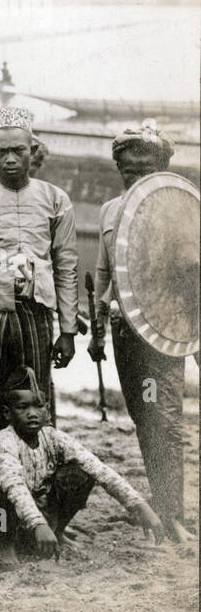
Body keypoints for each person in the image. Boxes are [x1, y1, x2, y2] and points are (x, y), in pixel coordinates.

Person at [0, 106, 79, 540]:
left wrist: (67, 328)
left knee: (37, 407)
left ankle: (44, 504)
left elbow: (65, 264)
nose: (10, 159)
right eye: (2, 151)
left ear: (33, 151)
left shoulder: (55, 199)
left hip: (37, 313)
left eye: (19, 151)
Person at [93, 121, 191, 542]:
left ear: (164, 168)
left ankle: (175, 516)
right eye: (129, 171)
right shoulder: (111, 211)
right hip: (125, 332)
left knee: (165, 419)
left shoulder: (181, 209)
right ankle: (163, 503)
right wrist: (96, 327)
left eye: (146, 170)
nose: (137, 178)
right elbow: (103, 272)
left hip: (165, 335)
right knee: (144, 418)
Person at [0, 368, 163, 563]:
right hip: (1, 517)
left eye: (38, 406)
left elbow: (98, 469)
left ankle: (56, 531)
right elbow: (13, 484)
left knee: (80, 473)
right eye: (23, 407)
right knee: (1, 490)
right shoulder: (5, 440)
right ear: (8, 413)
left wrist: (139, 505)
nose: (32, 414)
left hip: (38, 509)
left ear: (47, 409)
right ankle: (4, 545)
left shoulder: (53, 437)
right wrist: (37, 524)